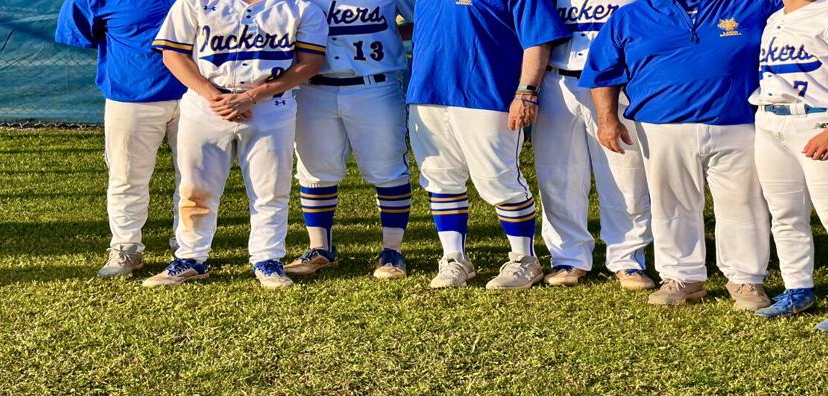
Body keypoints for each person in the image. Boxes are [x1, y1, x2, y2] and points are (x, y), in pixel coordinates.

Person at [579, 0, 828, 310]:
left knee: (744, 202)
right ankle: (681, 276)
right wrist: (607, 120)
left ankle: (746, 279)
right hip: (660, 124)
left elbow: (805, 5)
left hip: (737, 121)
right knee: (671, 203)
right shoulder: (631, 14)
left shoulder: (751, 4)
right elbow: (604, 69)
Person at [144, 0, 329, 289]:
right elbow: (173, 55)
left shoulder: (301, 7)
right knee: (195, 188)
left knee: (270, 189)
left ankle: (268, 259)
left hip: (270, 105)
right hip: (206, 104)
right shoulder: (195, 2)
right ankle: (191, 258)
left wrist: (254, 96)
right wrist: (214, 96)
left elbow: (311, 63)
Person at [405, 0, 568, 289]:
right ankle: (454, 258)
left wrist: (527, 91)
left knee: (499, 179)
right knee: (441, 179)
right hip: (428, 90)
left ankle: (524, 259)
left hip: (488, 92)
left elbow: (538, 39)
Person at [747, 0, 828, 330]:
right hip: (769, 120)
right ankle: (798, 289)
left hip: (821, 120)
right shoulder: (775, 16)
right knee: (784, 213)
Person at [282, 0, 417, 281]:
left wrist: (391, 34)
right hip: (313, 88)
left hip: (374, 85)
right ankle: (320, 248)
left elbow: (425, 21)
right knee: (315, 171)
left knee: (388, 169)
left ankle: (391, 251)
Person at [54, 0, 188, 280]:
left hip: (198, 95)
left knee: (195, 179)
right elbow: (83, 32)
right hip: (130, 96)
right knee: (127, 178)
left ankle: (188, 249)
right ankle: (126, 248)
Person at [536, 0, 654, 291]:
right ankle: (568, 256)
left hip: (620, 83)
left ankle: (628, 258)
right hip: (557, 80)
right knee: (557, 174)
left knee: (626, 173)